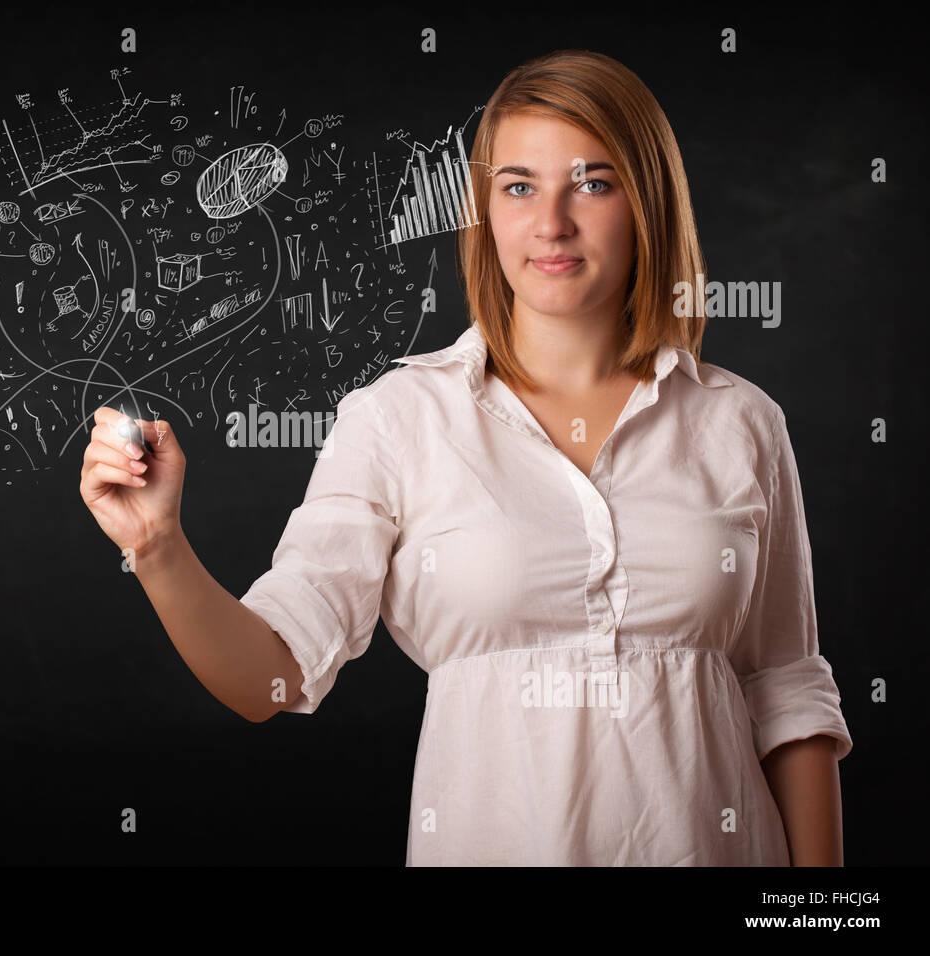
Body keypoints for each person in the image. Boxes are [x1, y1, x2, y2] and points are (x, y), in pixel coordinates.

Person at [78, 49, 852, 866]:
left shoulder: (741, 422)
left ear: (649, 201)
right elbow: (268, 678)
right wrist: (156, 548)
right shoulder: (396, 419)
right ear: (485, 209)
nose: (551, 223)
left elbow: (788, 692)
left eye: (593, 182)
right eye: (519, 186)